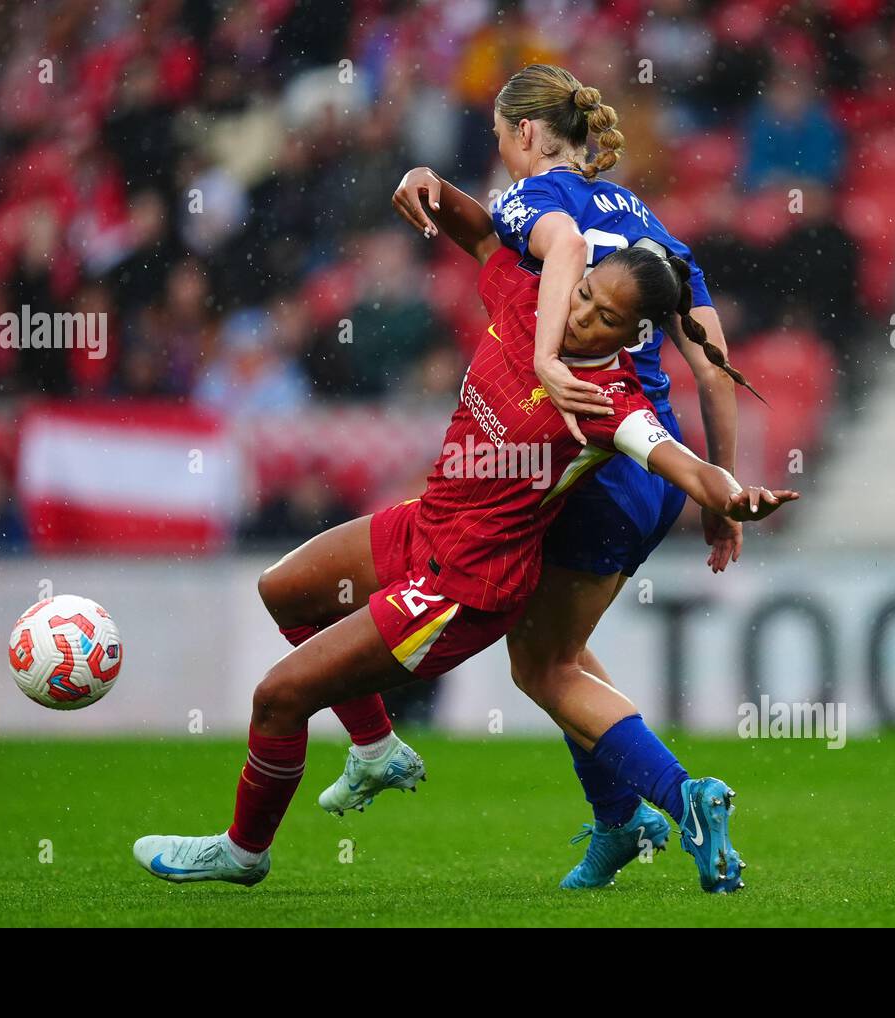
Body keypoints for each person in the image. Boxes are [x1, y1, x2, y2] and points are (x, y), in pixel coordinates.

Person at [133, 186, 797, 894]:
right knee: (285, 592)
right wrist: (432, 186)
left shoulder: (610, 400)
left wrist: (731, 494)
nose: (583, 319)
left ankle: (243, 851)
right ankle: (376, 747)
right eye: (583, 297)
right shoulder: (524, 302)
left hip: (462, 586)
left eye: (608, 319)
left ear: (632, 336)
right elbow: (480, 236)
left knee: (278, 698)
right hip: (426, 525)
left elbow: (678, 462)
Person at [311, 64, 756, 890]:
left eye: (497, 137)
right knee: (559, 655)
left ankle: (678, 798)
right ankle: (617, 825)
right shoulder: (653, 227)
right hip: (655, 464)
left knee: (543, 667)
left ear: (524, 135)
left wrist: (550, 357)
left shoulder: (536, 199)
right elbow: (714, 364)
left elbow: (549, 250)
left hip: (596, 450)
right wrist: (718, 490)